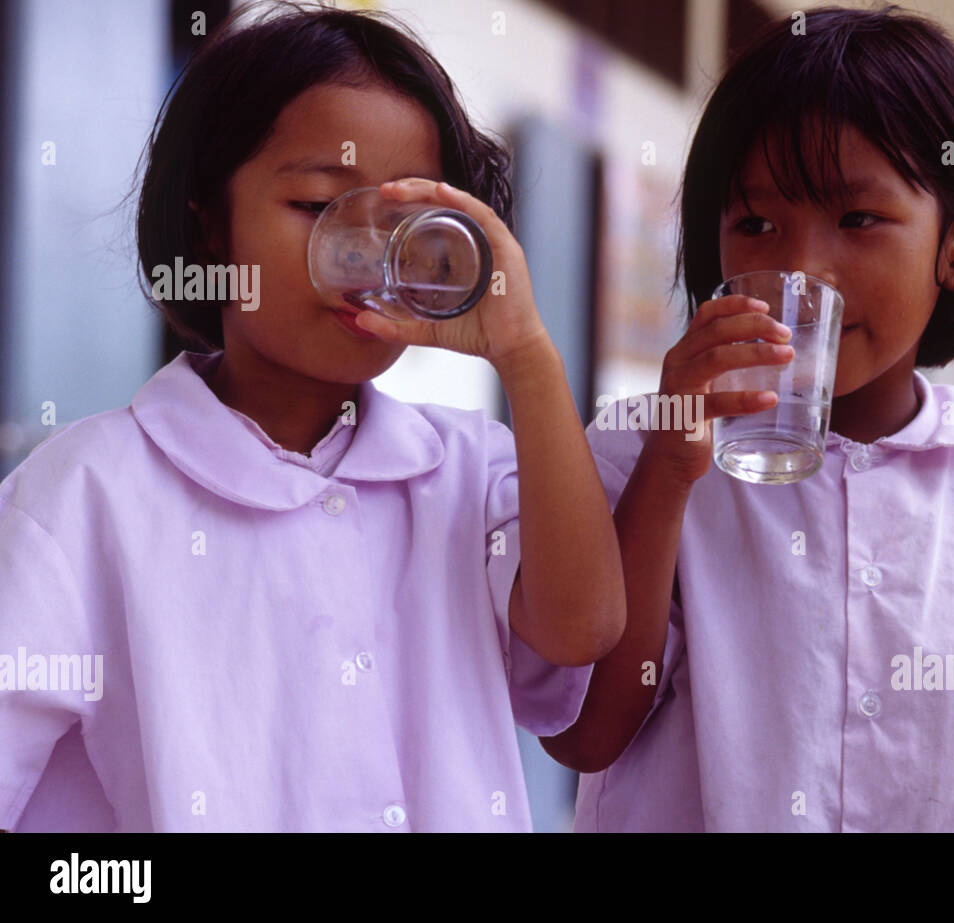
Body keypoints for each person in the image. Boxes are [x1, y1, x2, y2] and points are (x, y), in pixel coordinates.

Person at [0, 1, 624, 832]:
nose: (361, 257)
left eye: (403, 228)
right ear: (211, 223)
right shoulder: (84, 493)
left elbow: (583, 628)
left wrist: (529, 355)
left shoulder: (472, 469)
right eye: (315, 206)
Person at [542, 4, 954, 832]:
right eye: (755, 222)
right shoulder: (637, 455)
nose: (800, 268)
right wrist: (669, 473)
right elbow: (586, 728)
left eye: (857, 219)